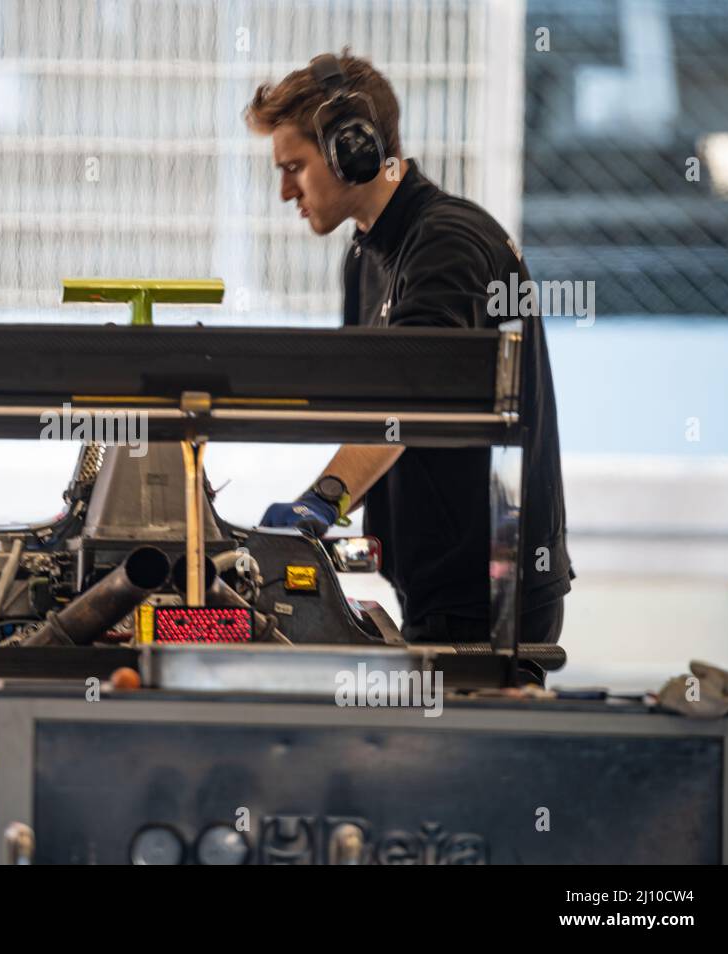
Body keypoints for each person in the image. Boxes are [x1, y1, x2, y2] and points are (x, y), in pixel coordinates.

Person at [246, 51, 574, 645]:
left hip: (492, 596)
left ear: (354, 151)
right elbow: (369, 407)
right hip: (431, 587)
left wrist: (325, 496)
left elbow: (409, 398)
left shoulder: (447, 244)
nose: (285, 191)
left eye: (295, 166)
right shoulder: (365, 258)